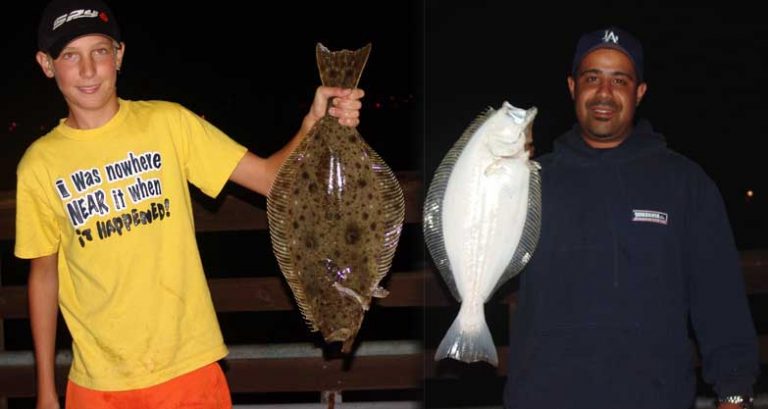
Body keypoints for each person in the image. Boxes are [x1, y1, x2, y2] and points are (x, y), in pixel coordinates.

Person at [15, 0, 364, 408]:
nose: (88, 70)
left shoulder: (169, 123)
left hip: (189, 369)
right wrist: (45, 389)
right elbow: (43, 276)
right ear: (46, 63)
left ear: (119, 56)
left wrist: (313, 123)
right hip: (98, 382)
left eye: (100, 51)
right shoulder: (38, 165)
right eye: (70, 56)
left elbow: (271, 180)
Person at [502, 27, 760, 409]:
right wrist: (492, 176)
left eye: (619, 80)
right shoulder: (528, 182)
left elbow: (720, 301)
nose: (604, 93)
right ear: (573, 87)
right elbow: (477, 265)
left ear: (639, 93)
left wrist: (734, 393)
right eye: (592, 78)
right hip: (542, 397)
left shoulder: (685, 183)